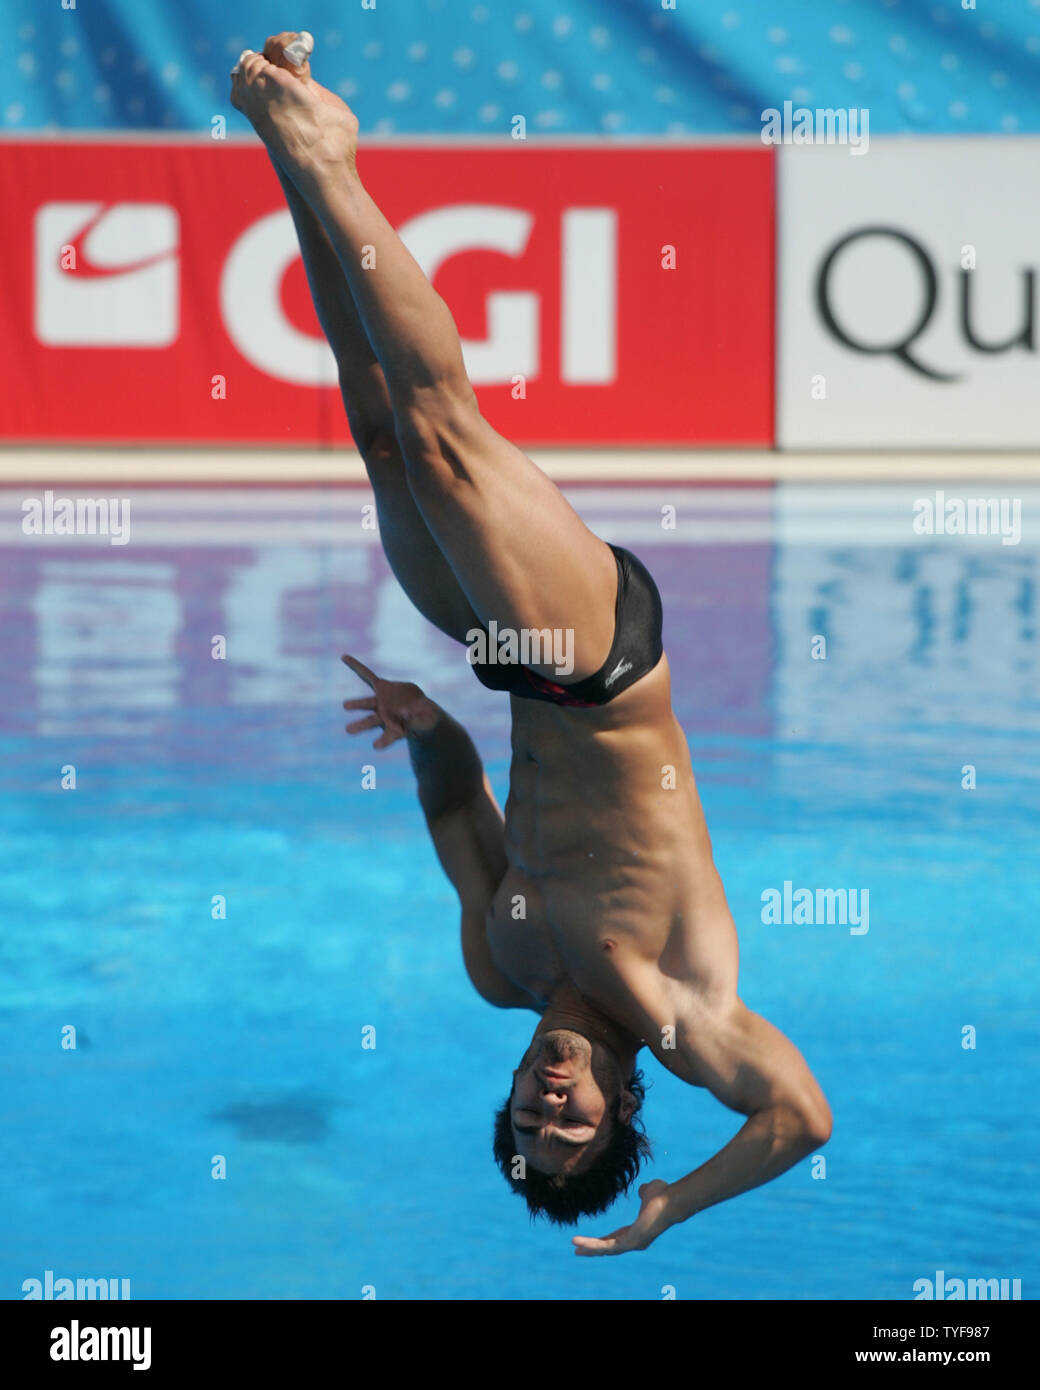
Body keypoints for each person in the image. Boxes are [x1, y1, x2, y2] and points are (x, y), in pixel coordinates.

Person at [231, 32, 832, 1256]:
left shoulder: (500, 963)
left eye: (527, 1120)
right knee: (444, 435)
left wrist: (421, 728)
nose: (548, 1105)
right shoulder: (675, 1012)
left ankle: (287, 155)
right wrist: (675, 1204)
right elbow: (800, 1118)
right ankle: (326, 152)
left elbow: (460, 814)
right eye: (575, 1129)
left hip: (500, 652)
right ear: (625, 1111)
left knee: (382, 435)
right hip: (598, 660)